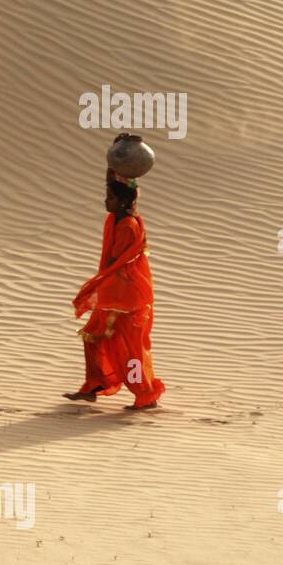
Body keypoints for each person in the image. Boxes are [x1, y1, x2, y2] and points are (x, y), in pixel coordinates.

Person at [65, 151, 165, 410]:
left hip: (127, 296)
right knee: (93, 338)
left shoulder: (127, 225)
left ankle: (145, 394)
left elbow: (118, 264)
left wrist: (97, 287)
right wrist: (113, 164)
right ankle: (93, 385)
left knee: (131, 348)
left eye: (110, 197)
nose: (106, 201)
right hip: (114, 292)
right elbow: (121, 186)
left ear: (122, 202)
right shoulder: (118, 217)